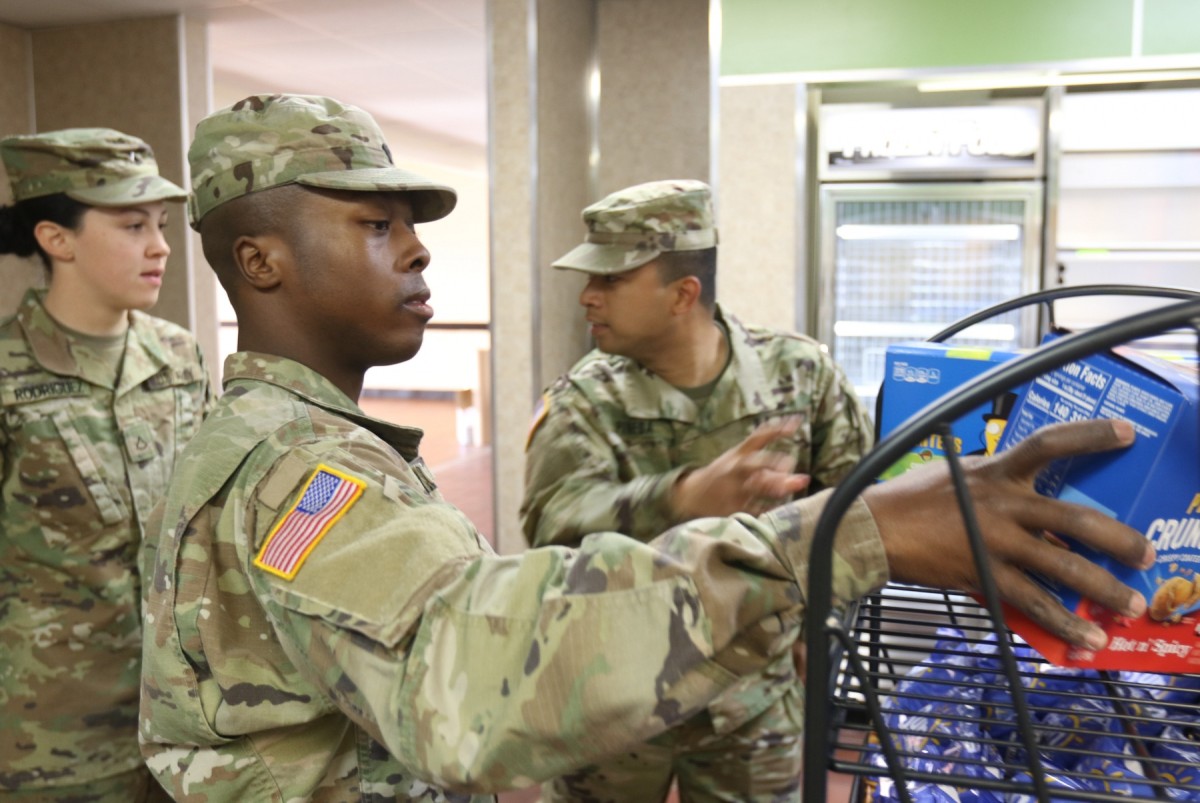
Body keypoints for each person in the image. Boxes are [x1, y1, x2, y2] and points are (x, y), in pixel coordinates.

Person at [139, 93, 1153, 803]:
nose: (416, 247)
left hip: (740, 700)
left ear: (684, 286)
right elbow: (461, 669)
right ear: (260, 260)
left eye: (410, 223)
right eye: (373, 223)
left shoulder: (307, 444)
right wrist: (835, 535)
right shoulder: (295, 471)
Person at [519, 178, 873, 802]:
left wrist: (822, 626)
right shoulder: (584, 399)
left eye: (611, 281)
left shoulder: (802, 375)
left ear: (683, 293)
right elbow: (552, 523)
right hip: (612, 691)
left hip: (752, 694)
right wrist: (681, 496)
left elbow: (856, 514)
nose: (586, 297)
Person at [0, 128, 214, 802]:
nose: (160, 245)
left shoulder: (180, 358)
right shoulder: (6, 374)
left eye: (160, 223)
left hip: (188, 724)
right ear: (56, 239)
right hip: (53, 743)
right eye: (131, 225)